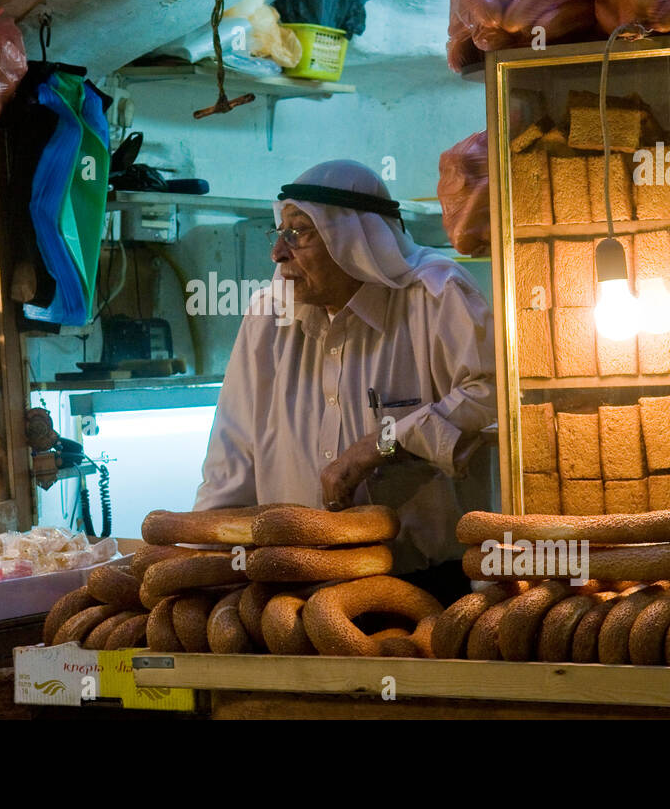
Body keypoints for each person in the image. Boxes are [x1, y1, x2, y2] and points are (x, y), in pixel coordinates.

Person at [193, 159, 497, 602]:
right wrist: (198, 571)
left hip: (427, 588)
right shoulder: (268, 315)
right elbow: (231, 463)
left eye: (299, 232)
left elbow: (495, 400)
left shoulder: (435, 296)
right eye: (279, 231)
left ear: (354, 240)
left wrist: (384, 443)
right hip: (289, 586)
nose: (278, 252)